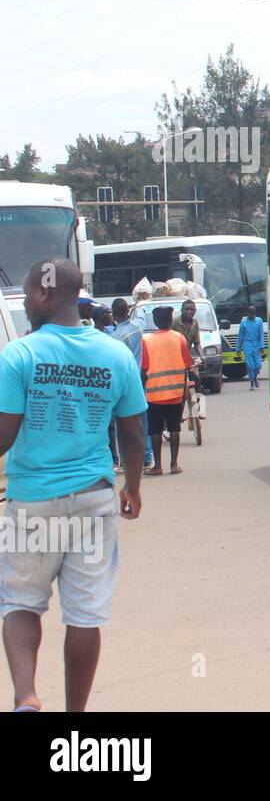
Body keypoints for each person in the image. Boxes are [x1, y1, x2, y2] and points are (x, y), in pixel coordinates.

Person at [0, 258, 146, 712]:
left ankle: (26, 697)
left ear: (45, 295)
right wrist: (134, 487)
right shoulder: (115, 354)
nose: (24, 304)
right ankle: (75, 718)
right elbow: (133, 431)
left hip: (31, 502)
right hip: (94, 499)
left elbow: (3, 436)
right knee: (85, 615)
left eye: (26, 295)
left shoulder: (18, 356)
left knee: (20, 601)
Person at [141, 305, 193, 476]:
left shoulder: (147, 341)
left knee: (155, 431)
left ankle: (157, 467)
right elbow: (187, 364)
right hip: (176, 394)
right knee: (175, 428)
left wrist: (142, 389)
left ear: (155, 321)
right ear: (171, 320)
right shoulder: (180, 338)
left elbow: (144, 368)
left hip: (154, 395)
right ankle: (174, 464)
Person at [109, 299, 154, 472]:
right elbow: (142, 318)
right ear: (127, 312)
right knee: (143, 423)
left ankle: (127, 462)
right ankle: (148, 458)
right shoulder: (137, 328)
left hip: (123, 383)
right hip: (139, 379)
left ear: (113, 314)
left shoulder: (116, 337)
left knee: (123, 425)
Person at [237, 305, 265, 390]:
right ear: (248, 314)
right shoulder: (244, 322)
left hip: (256, 344)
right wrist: (238, 348)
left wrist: (262, 346)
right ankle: (252, 383)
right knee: (250, 365)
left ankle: (255, 376)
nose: (252, 315)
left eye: (253, 314)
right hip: (247, 344)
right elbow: (240, 336)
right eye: (250, 314)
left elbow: (261, 334)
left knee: (258, 365)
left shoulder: (259, 321)